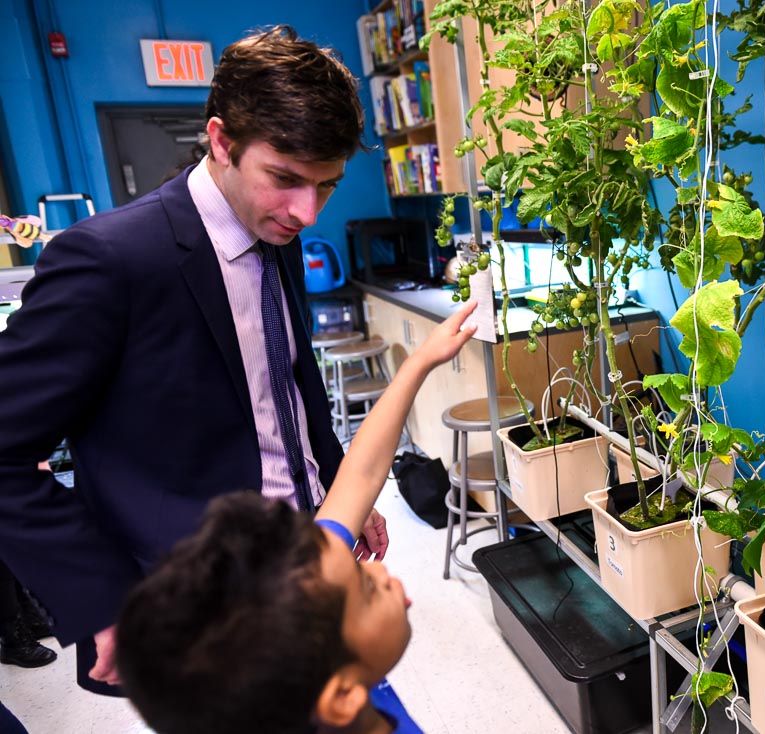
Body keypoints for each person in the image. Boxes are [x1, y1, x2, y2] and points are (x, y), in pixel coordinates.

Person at [0, 25, 382, 694]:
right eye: (286, 179)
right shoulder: (110, 260)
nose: (307, 212)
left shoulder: (277, 231)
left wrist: (338, 480)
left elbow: (287, 381)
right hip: (195, 603)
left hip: (304, 559)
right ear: (220, 140)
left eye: (326, 186)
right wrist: (106, 600)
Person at [116, 300, 479, 734]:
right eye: (365, 588)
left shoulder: (313, 650)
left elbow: (360, 475)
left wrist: (420, 362)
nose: (383, 575)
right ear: (341, 697)